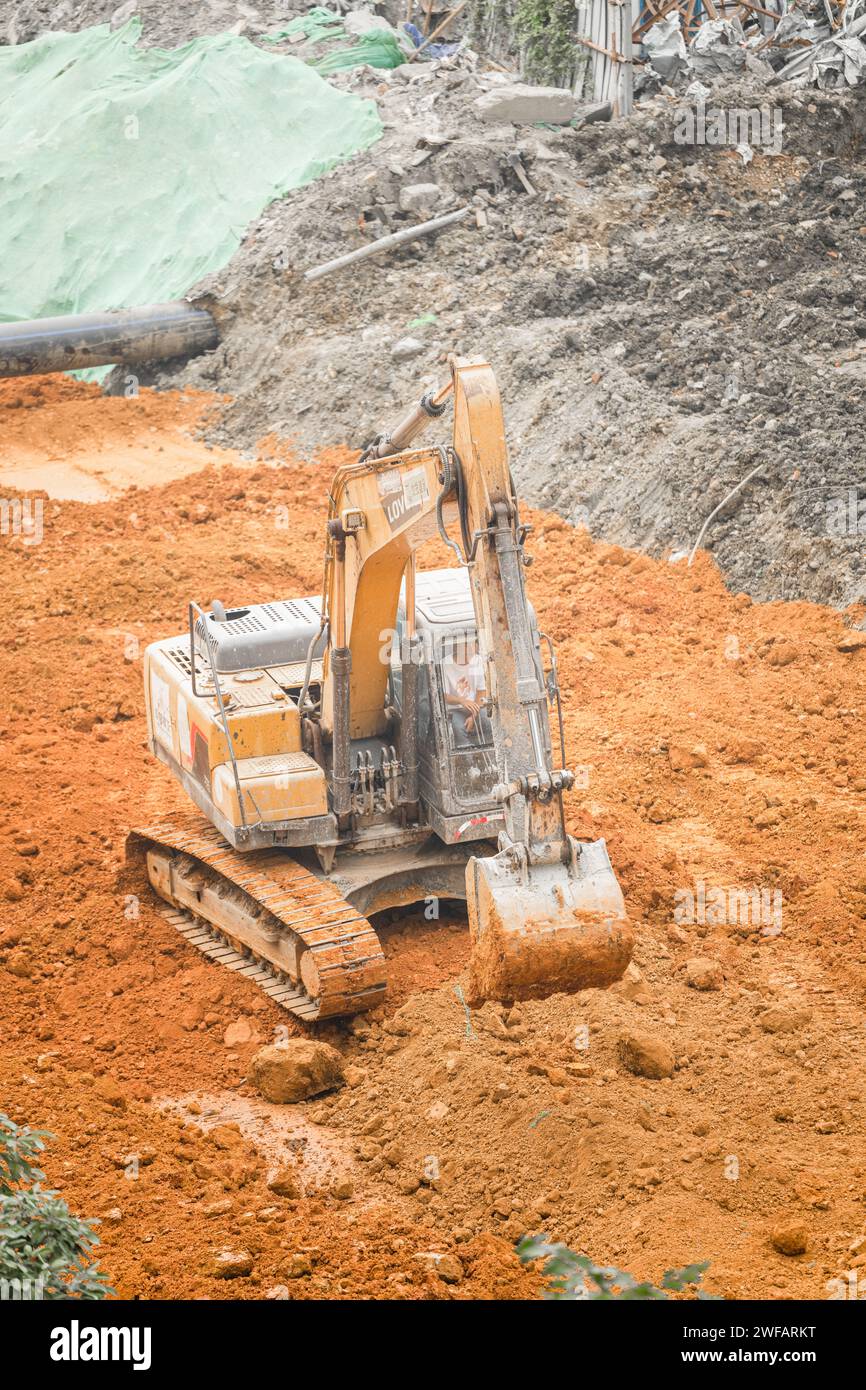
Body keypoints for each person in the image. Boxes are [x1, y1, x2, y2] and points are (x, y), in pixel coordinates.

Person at [442, 633, 489, 745]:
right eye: (466, 646)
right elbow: (444, 695)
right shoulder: (445, 664)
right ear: (456, 647)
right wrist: (462, 701)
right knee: (458, 728)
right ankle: (467, 759)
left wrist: (473, 716)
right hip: (455, 709)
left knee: (487, 720)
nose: (471, 649)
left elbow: (481, 692)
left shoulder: (478, 661)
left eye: (473, 645)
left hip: (477, 706)